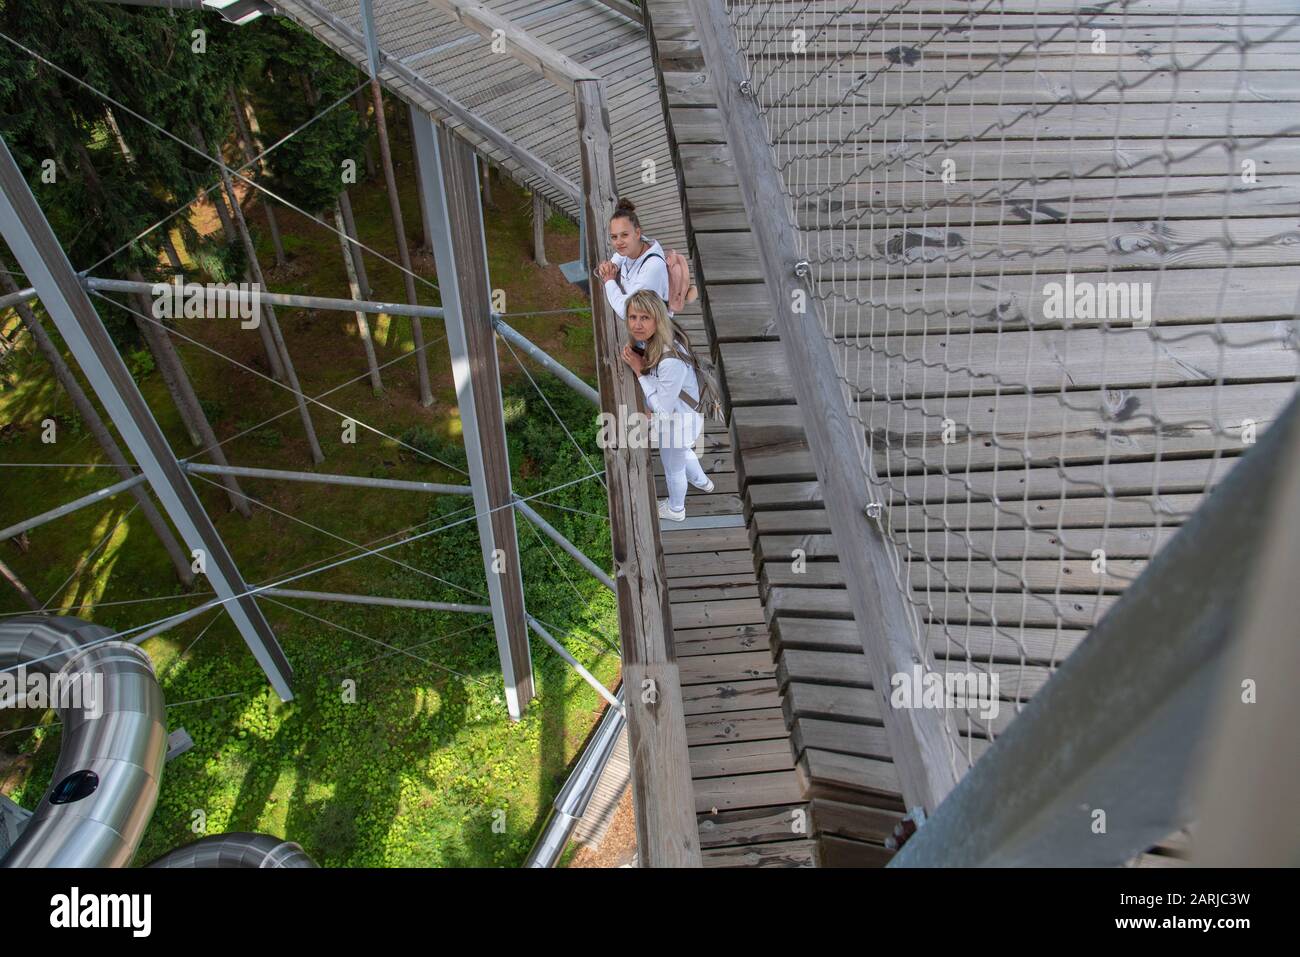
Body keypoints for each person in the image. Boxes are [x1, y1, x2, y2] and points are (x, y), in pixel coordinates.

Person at [619, 290, 714, 522]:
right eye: (633, 317)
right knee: (683, 452)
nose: (637, 325)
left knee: (673, 469)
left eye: (645, 318)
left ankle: (676, 509)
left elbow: (662, 409)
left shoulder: (669, 360)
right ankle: (703, 482)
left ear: (657, 319)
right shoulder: (669, 335)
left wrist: (639, 371)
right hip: (687, 416)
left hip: (677, 423)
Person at [597, 197, 670, 319]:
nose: (619, 242)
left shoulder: (652, 267)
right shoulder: (634, 246)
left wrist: (609, 280)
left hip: (653, 330)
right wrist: (612, 265)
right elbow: (619, 255)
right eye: (614, 237)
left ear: (637, 233)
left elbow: (626, 311)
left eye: (624, 235)